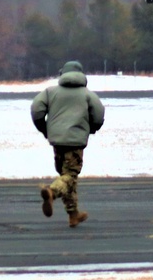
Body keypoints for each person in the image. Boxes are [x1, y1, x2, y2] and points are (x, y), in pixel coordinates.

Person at [31, 60, 106, 228]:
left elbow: (36, 110)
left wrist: (45, 130)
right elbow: (99, 116)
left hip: (57, 141)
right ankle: (51, 191)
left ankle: (73, 215)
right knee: (70, 176)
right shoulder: (88, 95)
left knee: (66, 177)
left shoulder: (49, 92)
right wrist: (90, 129)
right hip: (76, 141)